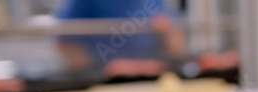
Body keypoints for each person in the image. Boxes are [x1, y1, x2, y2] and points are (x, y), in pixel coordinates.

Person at [54, 0, 184, 72]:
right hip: (106, 81)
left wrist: (167, 34)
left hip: (151, 77)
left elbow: (175, 44)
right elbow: (63, 40)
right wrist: (94, 71)